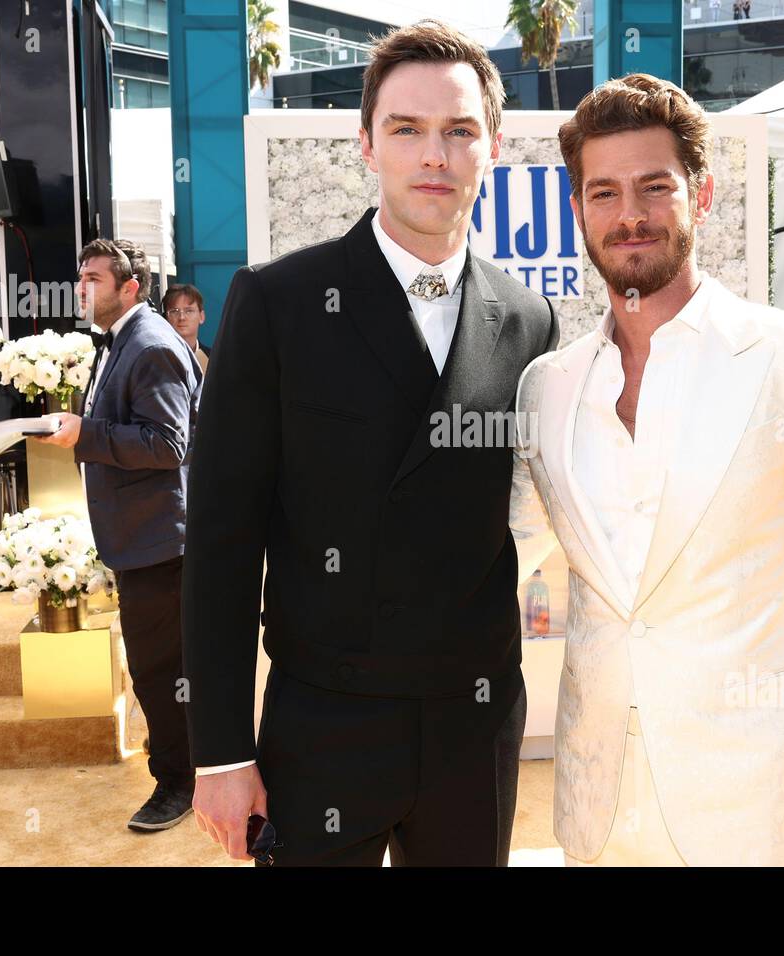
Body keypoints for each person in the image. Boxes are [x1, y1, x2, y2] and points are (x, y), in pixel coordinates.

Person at [508, 74, 784, 866]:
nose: (628, 213)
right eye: (603, 192)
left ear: (700, 197)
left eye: (653, 186)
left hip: (755, 796)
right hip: (597, 798)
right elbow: (501, 555)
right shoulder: (548, 386)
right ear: (579, 213)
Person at [182, 19, 560, 866]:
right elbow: (221, 543)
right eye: (408, 129)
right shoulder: (278, 305)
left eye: (460, 132)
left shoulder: (529, 321)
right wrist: (219, 751)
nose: (436, 155)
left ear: (491, 149)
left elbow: (524, 509)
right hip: (324, 726)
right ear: (366, 144)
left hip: (475, 720)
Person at [34, 238, 203, 833]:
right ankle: (187, 773)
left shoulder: (151, 345)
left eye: (93, 278)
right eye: (79, 277)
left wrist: (85, 433)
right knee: (162, 667)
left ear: (130, 288)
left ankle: (178, 784)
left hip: (164, 543)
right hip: (143, 538)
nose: (81, 288)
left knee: (161, 671)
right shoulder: (121, 341)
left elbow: (167, 445)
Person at [160, 283, 211, 374]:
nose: (182, 317)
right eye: (174, 311)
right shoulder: (156, 359)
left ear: (201, 316)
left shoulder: (214, 359)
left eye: (189, 311)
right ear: (165, 318)